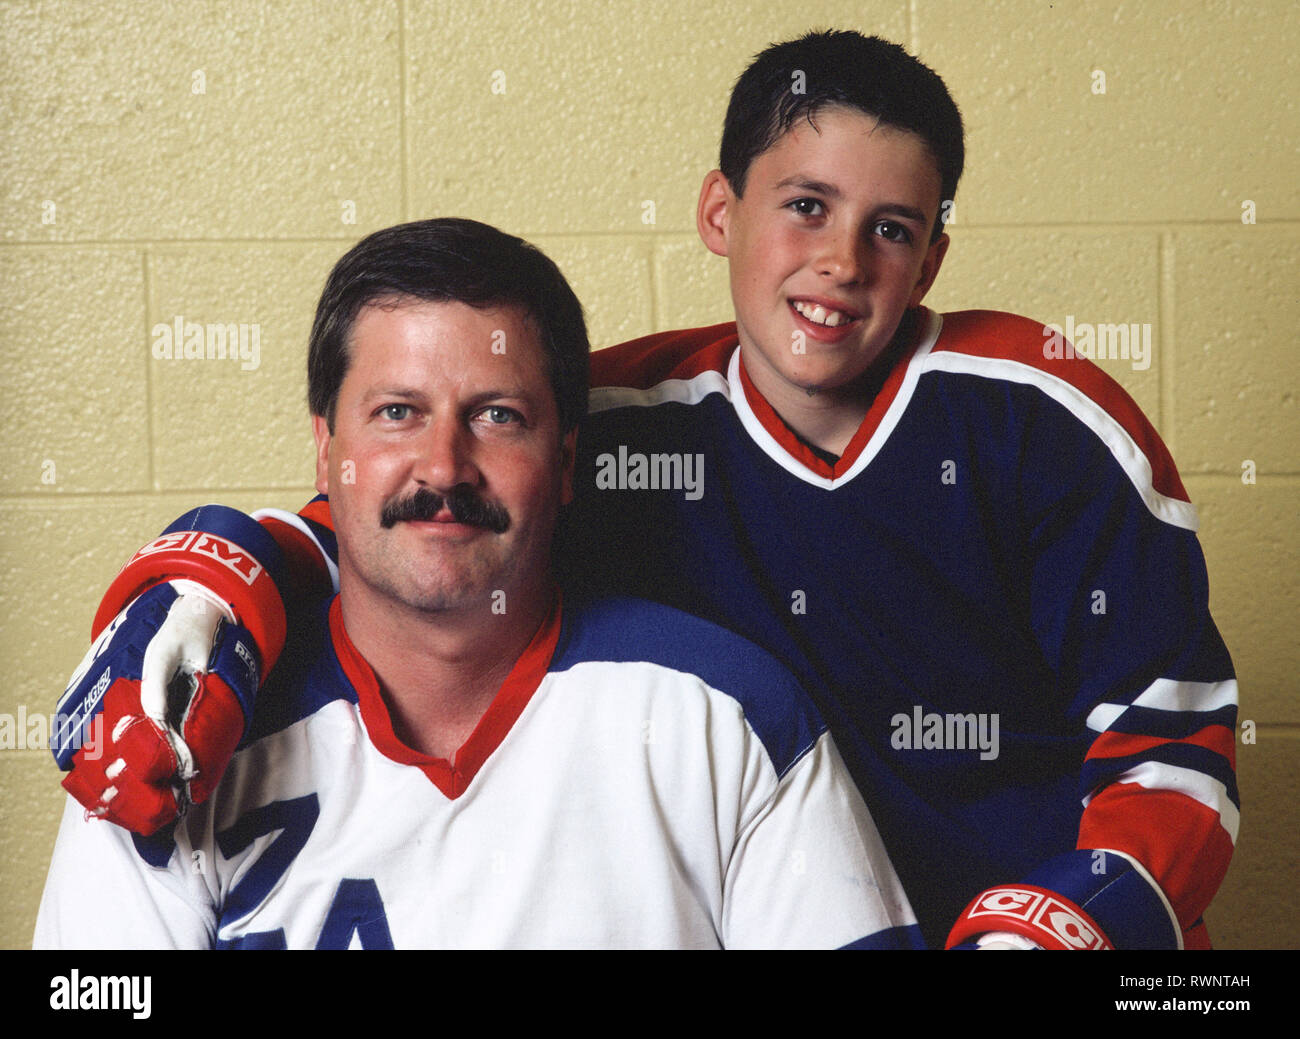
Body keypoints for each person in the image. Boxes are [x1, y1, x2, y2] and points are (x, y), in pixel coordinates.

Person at [51, 31, 1236, 951]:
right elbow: (415, 520)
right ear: (720, 214)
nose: (839, 262)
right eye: (804, 206)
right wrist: (210, 575)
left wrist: (1066, 921)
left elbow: (1176, 750)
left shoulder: (1043, 421)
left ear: (931, 255)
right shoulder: (623, 420)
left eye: (891, 228)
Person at [35, 218, 918, 949]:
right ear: (326, 451)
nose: (444, 465)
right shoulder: (171, 730)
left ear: (566, 460)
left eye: (498, 415)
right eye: (397, 413)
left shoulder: (728, 718)